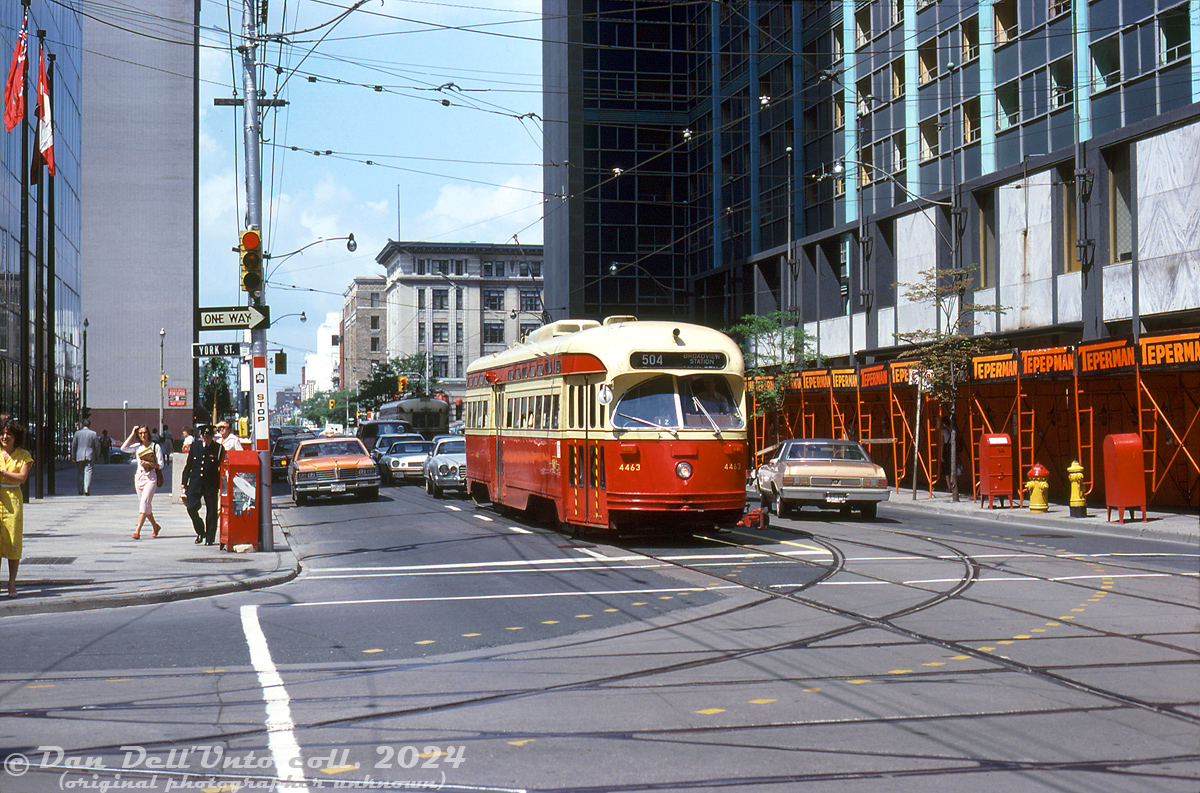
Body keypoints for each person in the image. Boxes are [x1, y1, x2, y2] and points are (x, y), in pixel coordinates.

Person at [0, 418, 32, 597]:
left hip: (13, 500)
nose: (5, 437)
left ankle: (12, 583)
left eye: (9, 434)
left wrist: (4, 473)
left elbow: (22, 478)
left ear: (15, 436)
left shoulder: (23, 455)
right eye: (3, 433)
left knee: (13, 542)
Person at [182, 424, 224, 546]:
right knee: (191, 508)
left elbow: (221, 469)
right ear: (200, 435)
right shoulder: (195, 446)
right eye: (204, 436)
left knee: (211, 512)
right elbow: (189, 465)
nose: (206, 439)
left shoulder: (218, 448)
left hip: (210, 484)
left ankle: (210, 538)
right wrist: (184, 483)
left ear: (212, 436)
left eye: (209, 436)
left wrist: (221, 487)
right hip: (195, 483)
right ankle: (201, 531)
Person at [119, 425, 164, 540]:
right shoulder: (137, 447)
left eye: (144, 433)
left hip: (151, 477)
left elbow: (161, 464)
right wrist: (132, 433)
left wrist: (150, 464)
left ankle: (137, 530)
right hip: (139, 477)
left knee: (144, 502)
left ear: (148, 433)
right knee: (145, 505)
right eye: (140, 433)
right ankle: (155, 526)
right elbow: (123, 448)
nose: (143, 435)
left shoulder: (155, 446)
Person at [70, 419, 101, 495]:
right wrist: (97, 455)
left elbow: (74, 445)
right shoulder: (93, 434)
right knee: (88, 472)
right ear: (89, 425)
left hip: (79, 455)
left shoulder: (77, 433)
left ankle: (80, 490)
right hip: (90, 455)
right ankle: (86, 489)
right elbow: (97, 446)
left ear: (82, 425)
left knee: (80, 473)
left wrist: (73, 455)